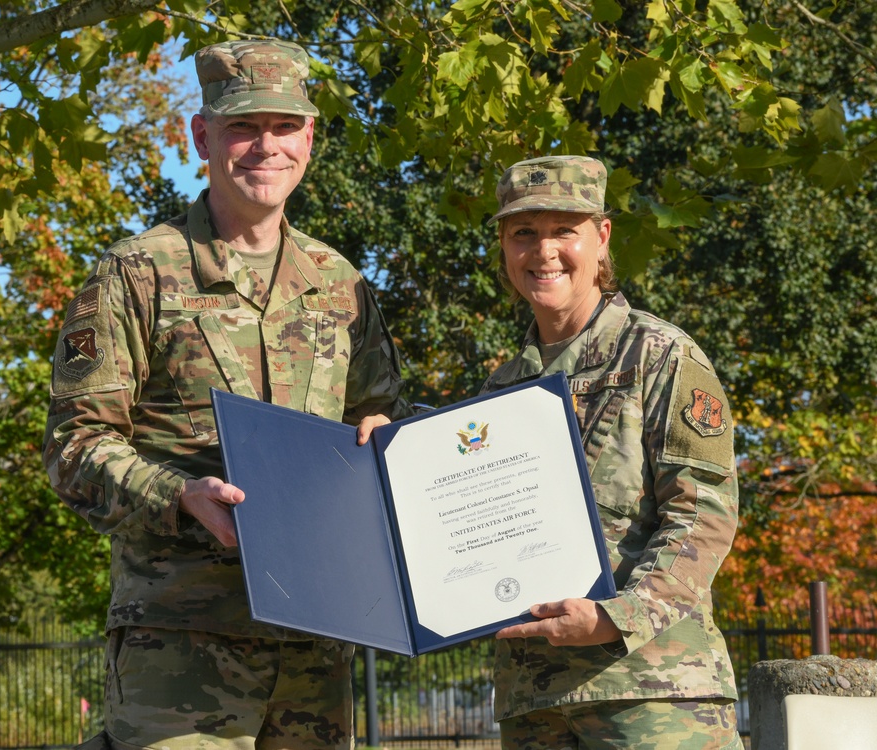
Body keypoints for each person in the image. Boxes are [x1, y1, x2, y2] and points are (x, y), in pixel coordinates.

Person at [43, 38, 410, 750]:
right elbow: (73, 447)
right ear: (202, 136)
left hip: (318, 639)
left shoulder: (340, 283)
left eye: (283, 126)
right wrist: (178, 497)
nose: (264, 146)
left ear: (309, 138)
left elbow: (379, 416)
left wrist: (387, 440)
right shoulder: (137, 272)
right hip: (182, 641)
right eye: (243, 126)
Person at [482, 156, 742, 749]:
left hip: (652, 694)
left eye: (563, 231)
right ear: (504, 246)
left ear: (600, 239)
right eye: (524, 233)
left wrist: (614, 618)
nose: (543, 251)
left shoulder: (660, 355)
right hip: (534, 699)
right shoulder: (499, 391)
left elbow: (703, 516)